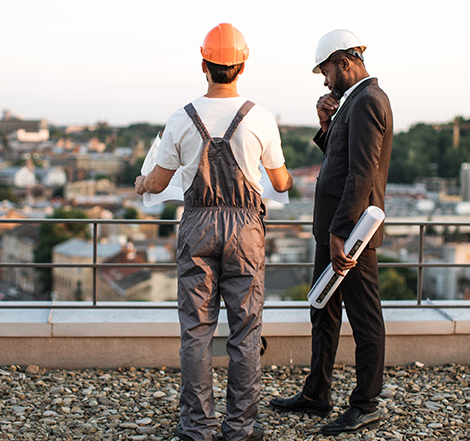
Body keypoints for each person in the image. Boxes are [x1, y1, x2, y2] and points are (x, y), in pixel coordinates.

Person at [135, 23, 293, 441]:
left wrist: (143, 182)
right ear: (242, 65)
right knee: (245, 330)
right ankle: (240, 428)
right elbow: (280, 183)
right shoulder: (260, 117)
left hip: (199, 224)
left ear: (204, 64)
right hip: (245, 229)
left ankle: (197, 428)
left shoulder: (181, 118)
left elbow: (157, 181)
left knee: (197, 330)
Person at [269, 29, 393, 436]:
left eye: (325, 71)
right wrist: (325, 126)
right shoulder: (351, 103)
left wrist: (341, 232)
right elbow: (342, 163)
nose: (324, 81)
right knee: (322, 310)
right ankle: (316, 393)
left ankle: (366, 404)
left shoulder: (369, 100)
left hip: (351, 235)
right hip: (336, 231)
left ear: (344, 62)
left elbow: (363, 172)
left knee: (364, 317)